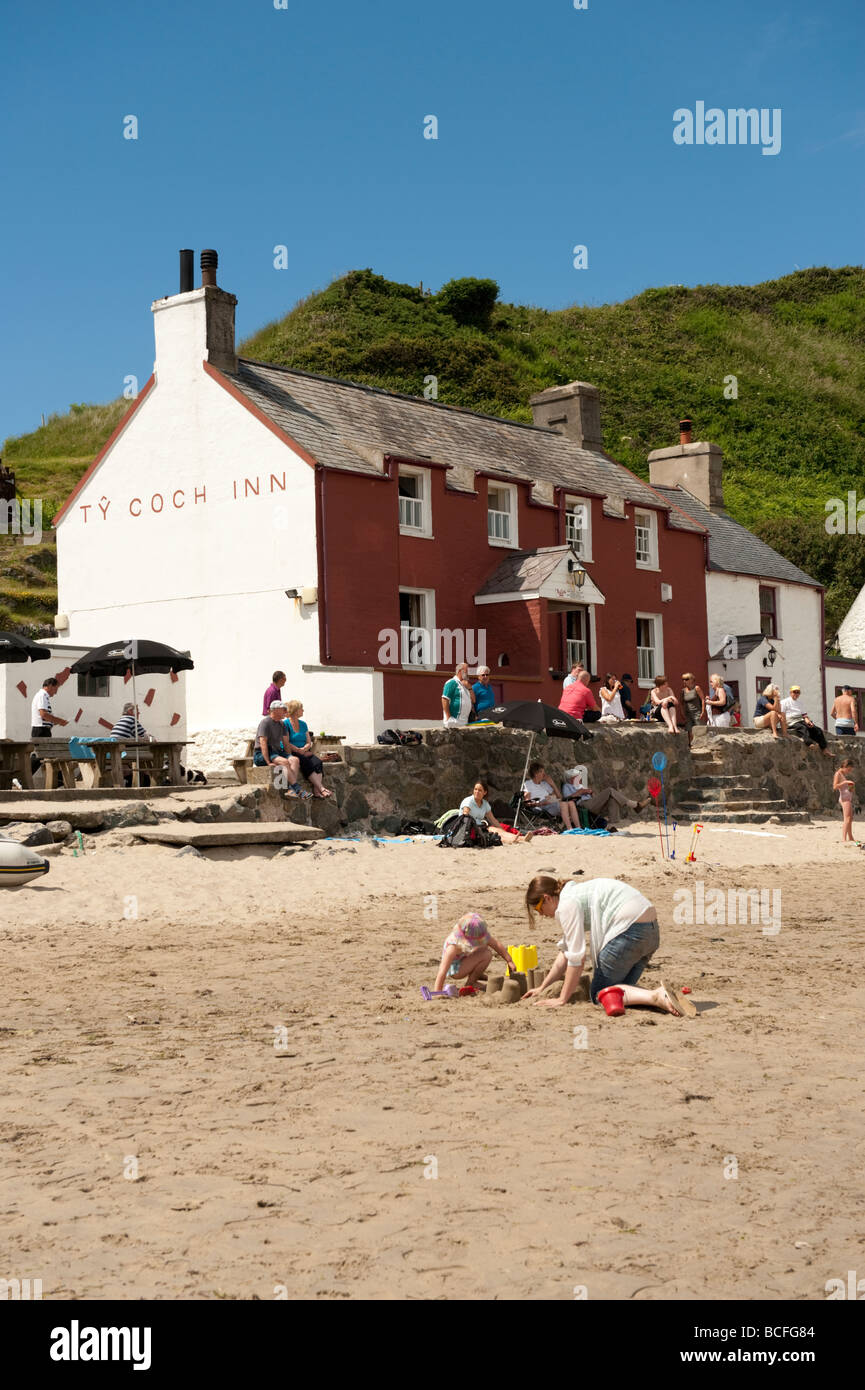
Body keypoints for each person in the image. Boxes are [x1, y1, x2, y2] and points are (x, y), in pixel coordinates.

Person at [521, 874, 694, 1016]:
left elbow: (576, 958)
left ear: (547, 898)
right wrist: (542, 987)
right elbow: (565, 952)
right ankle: (663, 997)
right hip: (651, 932)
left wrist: (561, 999)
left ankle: (657, 995)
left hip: (630, 930)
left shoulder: (566, 904)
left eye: (538, 909)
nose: (542, 915)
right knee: (619, 994)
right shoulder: (574, 893)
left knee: (600, 994)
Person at [433, 912, 516, 993]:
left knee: (484, 946)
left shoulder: (468, 933)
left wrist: (509, 960)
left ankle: (476, 974)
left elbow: (496, 944)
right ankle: (471, 983)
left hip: (464, 958)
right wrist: (437, 991)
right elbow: (442, 970)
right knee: (486, 954)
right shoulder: (453, 946)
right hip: (455, 969)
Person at [561, 767, 651, 829]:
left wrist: (591, 793)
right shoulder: (567, 786)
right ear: (572, 778)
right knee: (609, 790)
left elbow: (592, 797)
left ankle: (612, 825)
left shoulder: (580, 785)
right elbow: (566, 798)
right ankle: (636, 805)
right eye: (578, 777)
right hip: (583, 805)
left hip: (592, 802)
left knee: (612, 798)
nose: (580, 778)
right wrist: (580, 792)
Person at [282, 699, 333, 797]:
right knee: (305, 761)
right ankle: (321, 788)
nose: (303, 710)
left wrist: (304, 749)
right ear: (296, 710)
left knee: (318, 762)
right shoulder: (286, 724)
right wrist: (298, 750)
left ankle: (316, 790)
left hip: (303, 751)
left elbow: (309, 742)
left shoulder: (303, 724)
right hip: (292, 751)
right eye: (301, 708)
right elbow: (286, 742)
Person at [253, 699, 304, 795]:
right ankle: (297, 788)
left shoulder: (281, 724)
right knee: (284, 762)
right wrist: (268, 762)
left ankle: (291, 790)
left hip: (276, 752)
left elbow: (286, 743)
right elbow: (263, 743)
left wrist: (289, 756)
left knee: (295, 760)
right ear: (275, 710)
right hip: (262, 754)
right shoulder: (265, 722)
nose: (286, 711)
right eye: (283, 709)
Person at [460, 778, 532, 843]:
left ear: (484, 792)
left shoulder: (485, 804)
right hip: (469, 828)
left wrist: (502, 831)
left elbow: (492, 820)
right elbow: (465, 816)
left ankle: (521, 838)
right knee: (492, 833)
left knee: (496, 830)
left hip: (480, 827)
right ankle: (513, 839)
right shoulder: (468, 801)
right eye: (475, 789)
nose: (476, 792)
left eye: (479, 790)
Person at [522, 761, 579, 829]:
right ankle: (570, 829)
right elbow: (527, 802)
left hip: (551, 802)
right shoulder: (528, 784)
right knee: (563, 803)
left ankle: (578, 828)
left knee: (571, 803)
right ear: (536, 773)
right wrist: (540, 803)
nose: (544, 774)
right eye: (542, 772)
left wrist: (552, 784)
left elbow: (560, 797)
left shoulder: (545, 784)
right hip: (541, 806)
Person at [780, 684, 830, 755]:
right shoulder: (784, 702)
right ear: (791, 692)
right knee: (802, 728)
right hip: (791, 721)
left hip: (800, 719)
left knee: (816, 729)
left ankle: (824, 748)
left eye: (798, 692)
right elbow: (782, 714)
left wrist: (808, 722)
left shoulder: (800, 703)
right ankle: (809, 743)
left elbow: (804, 715)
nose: (796, 694)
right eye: (794, 692)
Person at [441, 662, 475, 727]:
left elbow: (473, 700)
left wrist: (470, 688)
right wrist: (449, 718)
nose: (468, 674)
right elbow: (444, 699)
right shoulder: (452, 682)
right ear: (460, 671)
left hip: (464, 723)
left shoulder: (466, 685)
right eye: (466, 671)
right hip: (454, 722)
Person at [833, 759, 857, 844]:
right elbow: (835, 786)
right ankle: (844, 838)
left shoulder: (842, 774)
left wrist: (851, 787)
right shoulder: (838, 774)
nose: (849, 772)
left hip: (847, 798)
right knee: (847, 819)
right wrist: (846, 782)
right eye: (849, 769)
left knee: (850, 818)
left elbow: (845, 788)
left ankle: (850, 837)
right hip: (844, 798)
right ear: (844, 766)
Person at [678, 673, 706, 746]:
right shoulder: (683, 691)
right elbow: (681, 703)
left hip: (697, 712)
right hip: (688, 714)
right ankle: (691, 747)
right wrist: (682, 713)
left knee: (699, 730)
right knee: (689, 731)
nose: (684, 681)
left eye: (686, 679)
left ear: (692, 680)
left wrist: (703, 711)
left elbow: (703, 699)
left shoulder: (697, 688)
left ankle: (701, 746)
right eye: (683, 679)